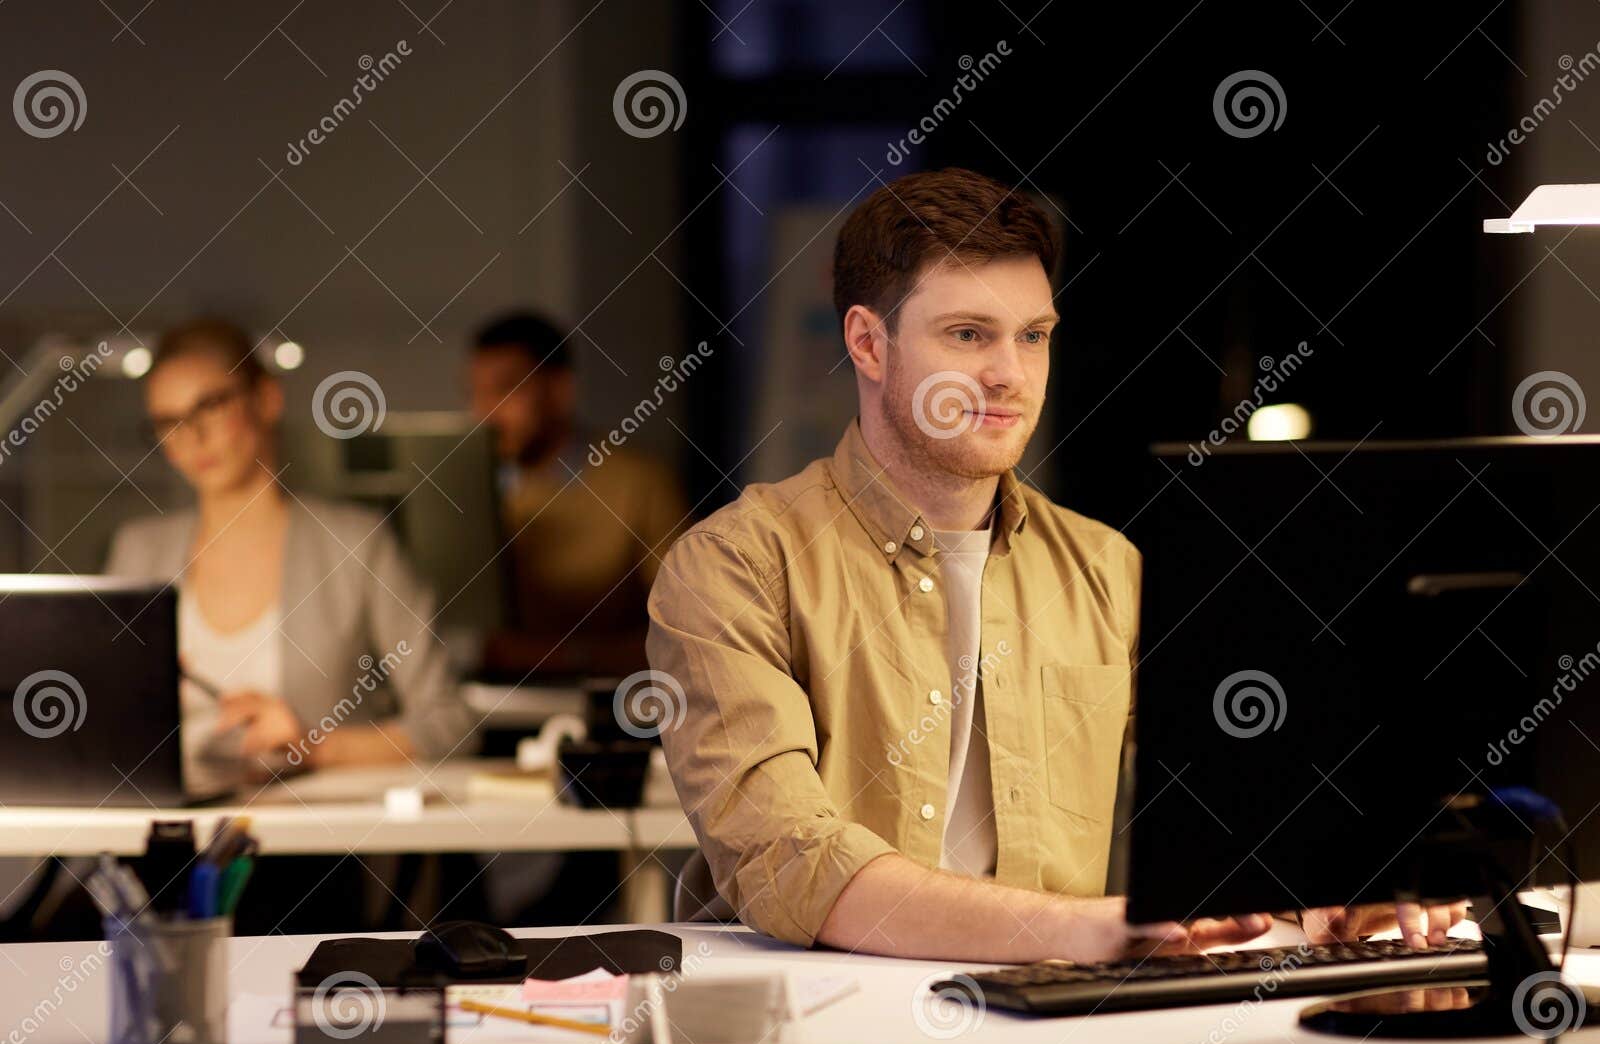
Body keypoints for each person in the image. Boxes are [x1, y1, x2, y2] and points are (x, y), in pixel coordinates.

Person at [647, 168, 1465, 963]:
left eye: (1033, 336)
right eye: (968, 334)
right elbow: (791, 860)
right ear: (868, 341)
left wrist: (1337, 876)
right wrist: (1077, 930)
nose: (1011, 374)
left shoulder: (1107, 567)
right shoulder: (734, 566)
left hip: (1054, 1022)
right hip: (828, 1036)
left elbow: (1240, 801)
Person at [106, 318, 478, 791]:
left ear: (266, 398)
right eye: (167, 422)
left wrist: (314, 748)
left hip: (316, 849)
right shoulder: (138, 553)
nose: (191, 437)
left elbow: (450, 723)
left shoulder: (354, 545)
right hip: (167, 840)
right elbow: (107, 727)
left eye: (210, 406)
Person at [468, 311, 687, 678]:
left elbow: (686, 628)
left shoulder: (638, 483)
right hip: (481, 703)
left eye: (506, 389)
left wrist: (561, 656)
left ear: (559, 391)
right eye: (475, 393)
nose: (486, 412)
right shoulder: (470, 487)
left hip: (602, 705)